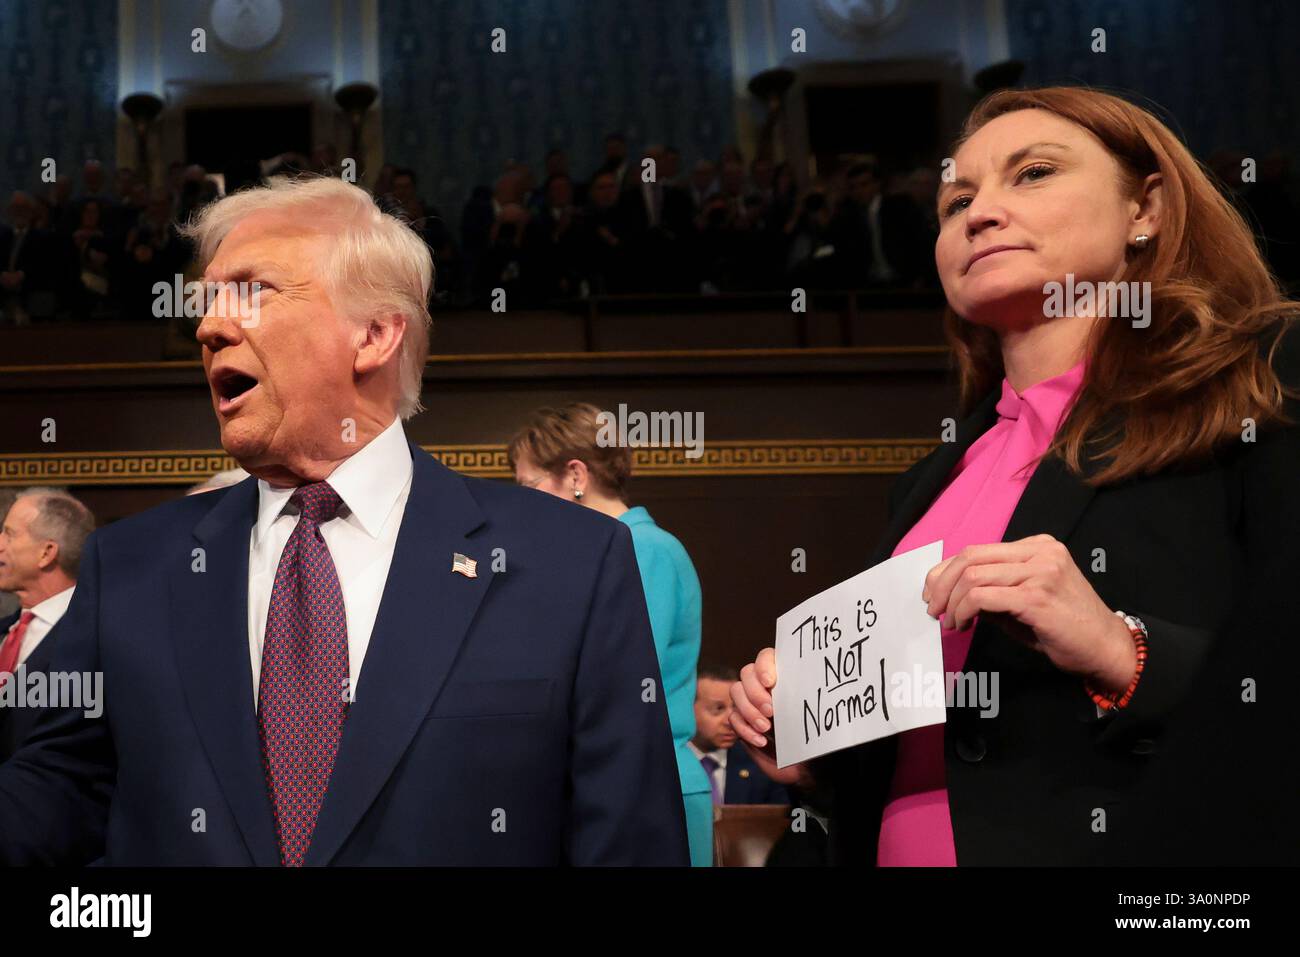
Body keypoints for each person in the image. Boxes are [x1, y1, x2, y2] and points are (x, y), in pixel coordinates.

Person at [0, 176, 688, 866]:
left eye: (251, 290)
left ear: (375, 334)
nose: (207, 325)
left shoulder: (573, 562)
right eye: (207, 299)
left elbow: (629, 843)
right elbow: (60, 792)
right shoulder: (131, 566)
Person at [730, 86, 1300, 865]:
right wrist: (813, 744)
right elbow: (923, 764)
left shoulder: (1267, 377)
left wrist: (1119, 646)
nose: (980, 212)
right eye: (956, 198)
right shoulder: (931, 477)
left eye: (1032, 173)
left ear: (1148, 208)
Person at [509, 403, 714, 866]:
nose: (522, 504)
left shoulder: (643, 547)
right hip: (616, 783)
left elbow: (622, 682)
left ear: (576, 474)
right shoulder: (608, 550)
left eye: (530, 486)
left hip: (648, 786)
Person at [0, 489, 96, 763]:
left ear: (47, 552)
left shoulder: (98, 638)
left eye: (10, 533)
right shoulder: (5, 631)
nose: (0, 544)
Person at [690, 665, 790, 806]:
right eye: (718, 709)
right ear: (688, 708)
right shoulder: (663, 764)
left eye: (735, 707)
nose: (730, 720)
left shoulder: (763, 764)